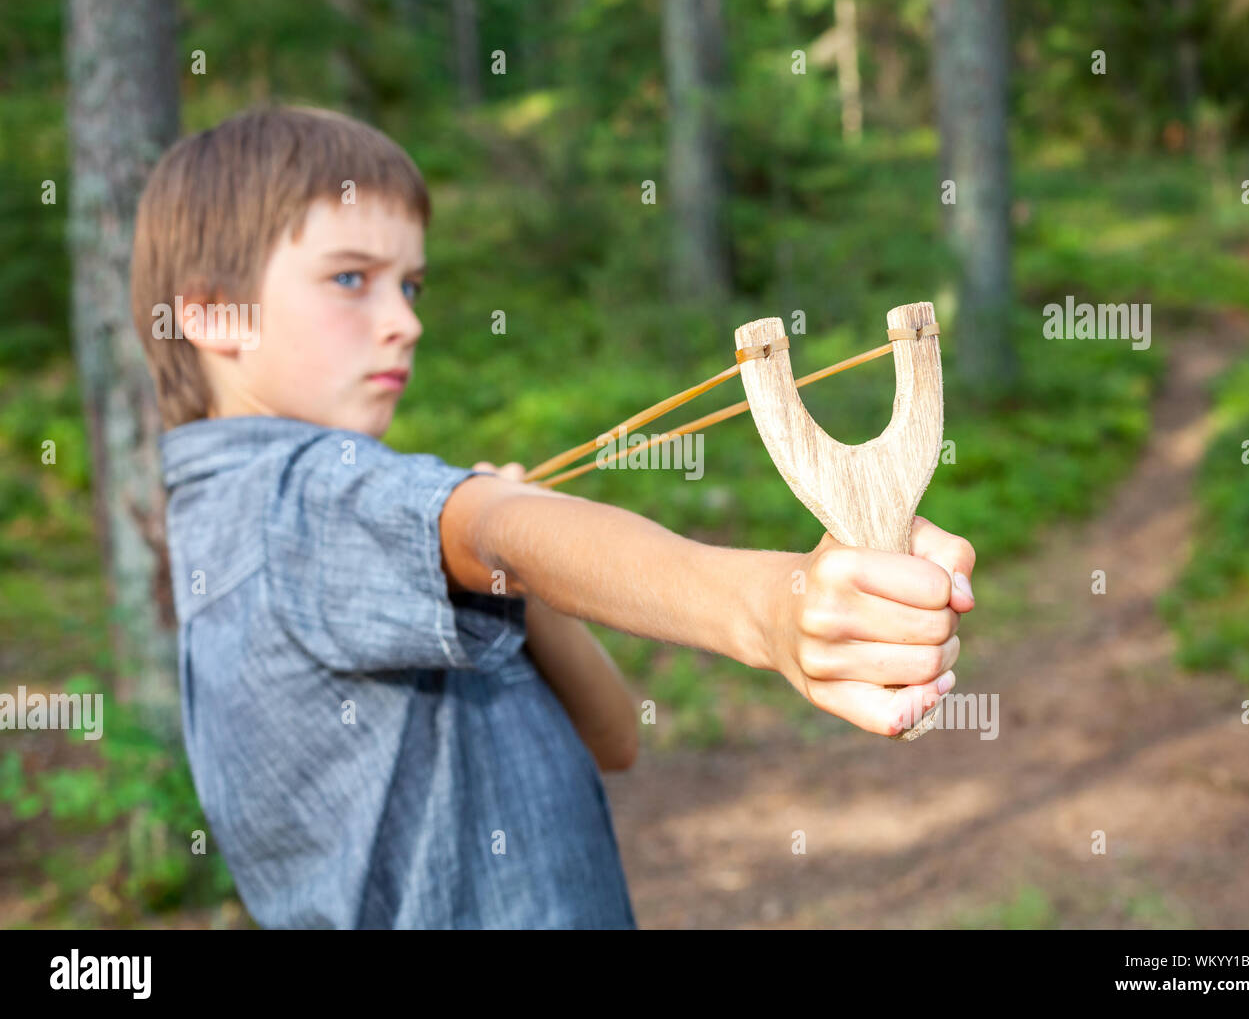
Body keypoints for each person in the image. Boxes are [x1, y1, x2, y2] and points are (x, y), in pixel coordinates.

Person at [130, 105, 976, 929]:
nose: (405, 321)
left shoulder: (253, 524)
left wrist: (514, 566)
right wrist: (771, 606)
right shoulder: (299, 500)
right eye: (351, 278)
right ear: (212, 314)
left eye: (411, 284)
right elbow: (495, 527)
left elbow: (615, 738)